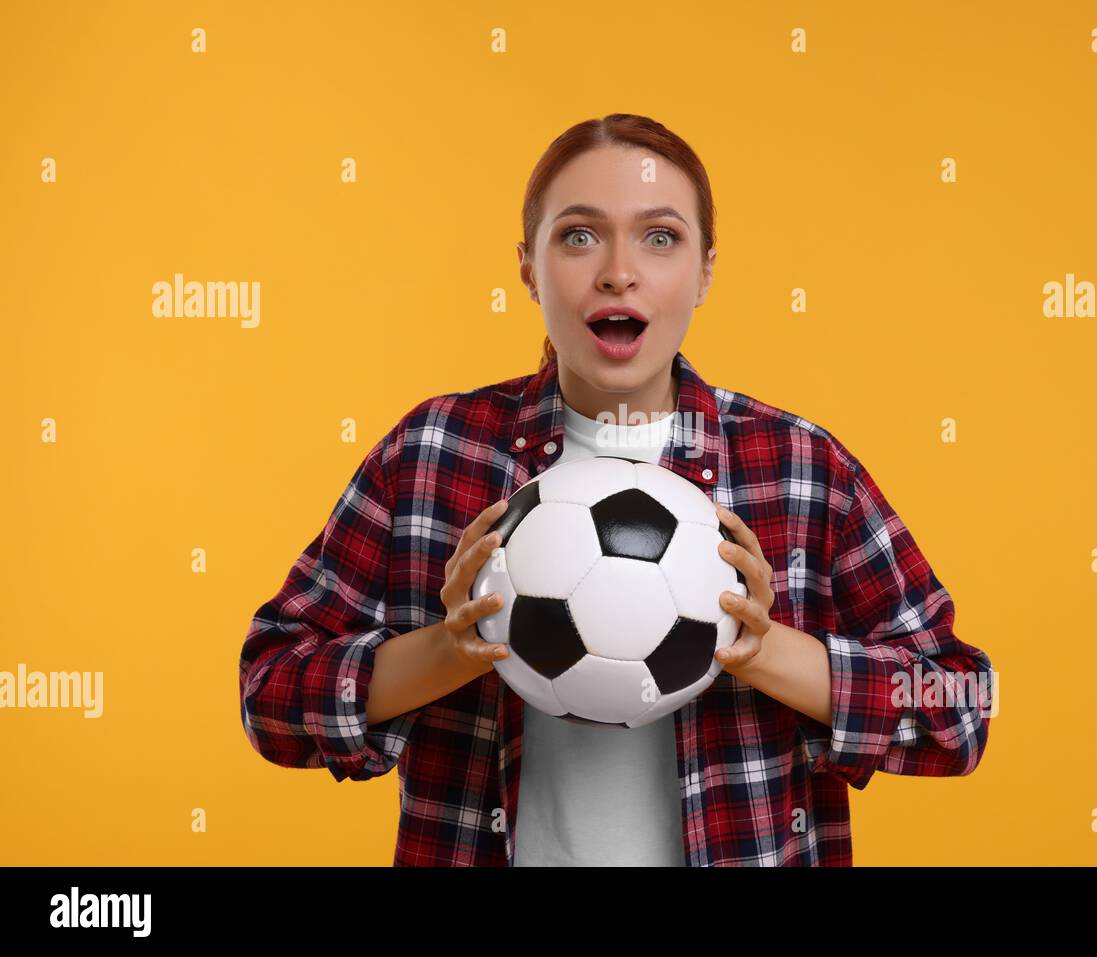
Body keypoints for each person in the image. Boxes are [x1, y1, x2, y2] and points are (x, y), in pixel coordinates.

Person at [238, 113, 994, 867]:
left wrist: (768, 653)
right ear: (527, 267)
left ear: (705, 270)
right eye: (578, 235)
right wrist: (449, 648)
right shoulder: (434, 452)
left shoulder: (800, 467)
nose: (618, 271)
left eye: (660, 237)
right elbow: (269, 692)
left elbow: (959, 708)